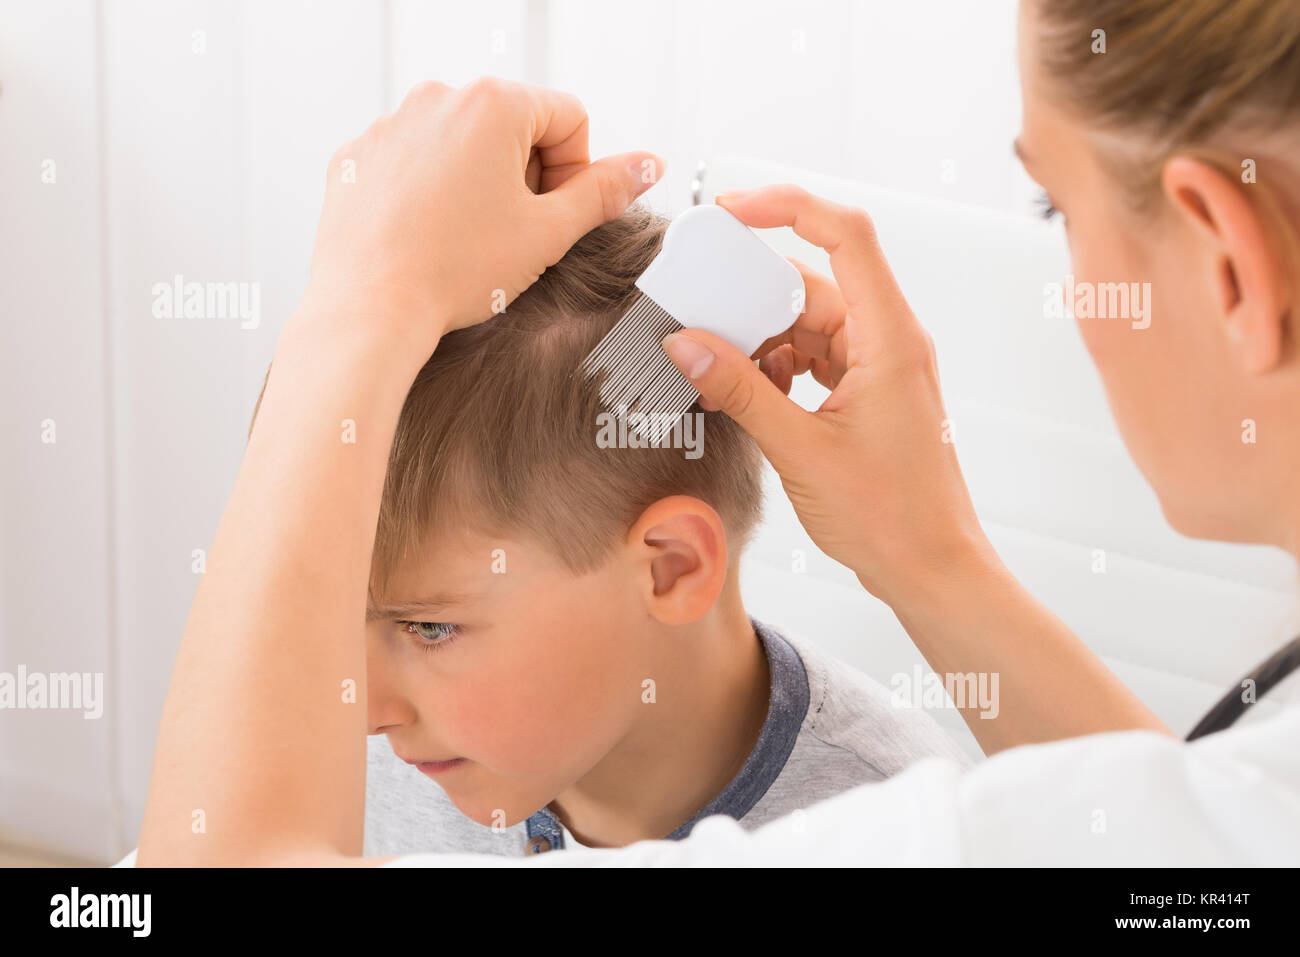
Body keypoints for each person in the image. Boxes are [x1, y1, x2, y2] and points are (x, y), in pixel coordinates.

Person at [130, 0, 1300, 867]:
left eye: (1056, 209)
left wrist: (360, 307)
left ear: (1226, 255)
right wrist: (928, 556)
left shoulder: (880, 821)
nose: (361, 704)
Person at [115, 208, 969, 867]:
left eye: (428, 627)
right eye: (345, 616)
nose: (362, 709)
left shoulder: (891, 829)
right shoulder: (352, 777)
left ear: (670, 567)